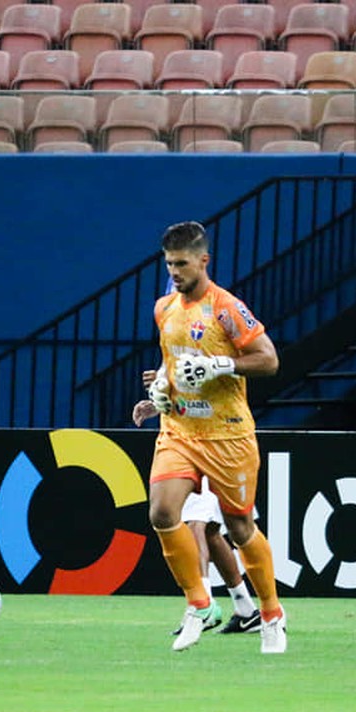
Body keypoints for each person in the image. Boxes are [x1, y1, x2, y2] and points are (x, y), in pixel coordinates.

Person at [142, 221, 287, 653]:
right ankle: (200, 605)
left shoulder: (226, 307)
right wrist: (159, 393)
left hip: (227, 435)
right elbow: (173, 362)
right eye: (169, 264)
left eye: (182, 264)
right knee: (163, 513)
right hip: (181, 430)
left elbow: (269, 360)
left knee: (240, 527)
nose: (175, 272)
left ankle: (272, 614)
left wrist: (220, 366)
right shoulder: (164, 308)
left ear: (204, 261)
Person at [133, 404, 261, 636]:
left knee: (195, 524)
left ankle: (204, 605)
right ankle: (246, 610)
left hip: (201, 444)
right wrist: (159, 399)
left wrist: (168, 391)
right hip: (208, 444)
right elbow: (188, 390)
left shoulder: (213, 371)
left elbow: (202, 393)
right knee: (212, 532)